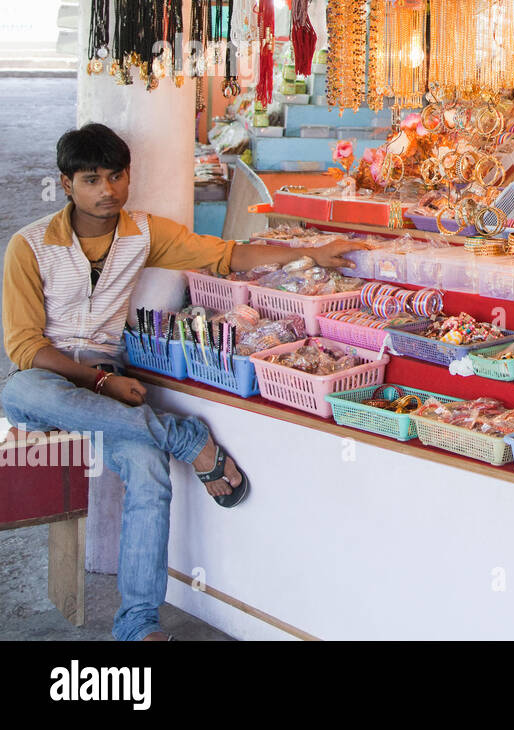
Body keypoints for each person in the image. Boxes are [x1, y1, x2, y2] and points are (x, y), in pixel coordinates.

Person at [0, 123, 363, 641]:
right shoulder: (29, 246)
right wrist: (100, 384)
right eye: (91, 179)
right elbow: (25, 348)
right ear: (66, 184)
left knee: (148, 471)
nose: (107, 190)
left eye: (117, 176)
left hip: (112, 382)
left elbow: (225, 255)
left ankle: (138, 627)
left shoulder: (144, 233)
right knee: (19, 390)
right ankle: (184, 436)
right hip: (52, 384)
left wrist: (311, 254)